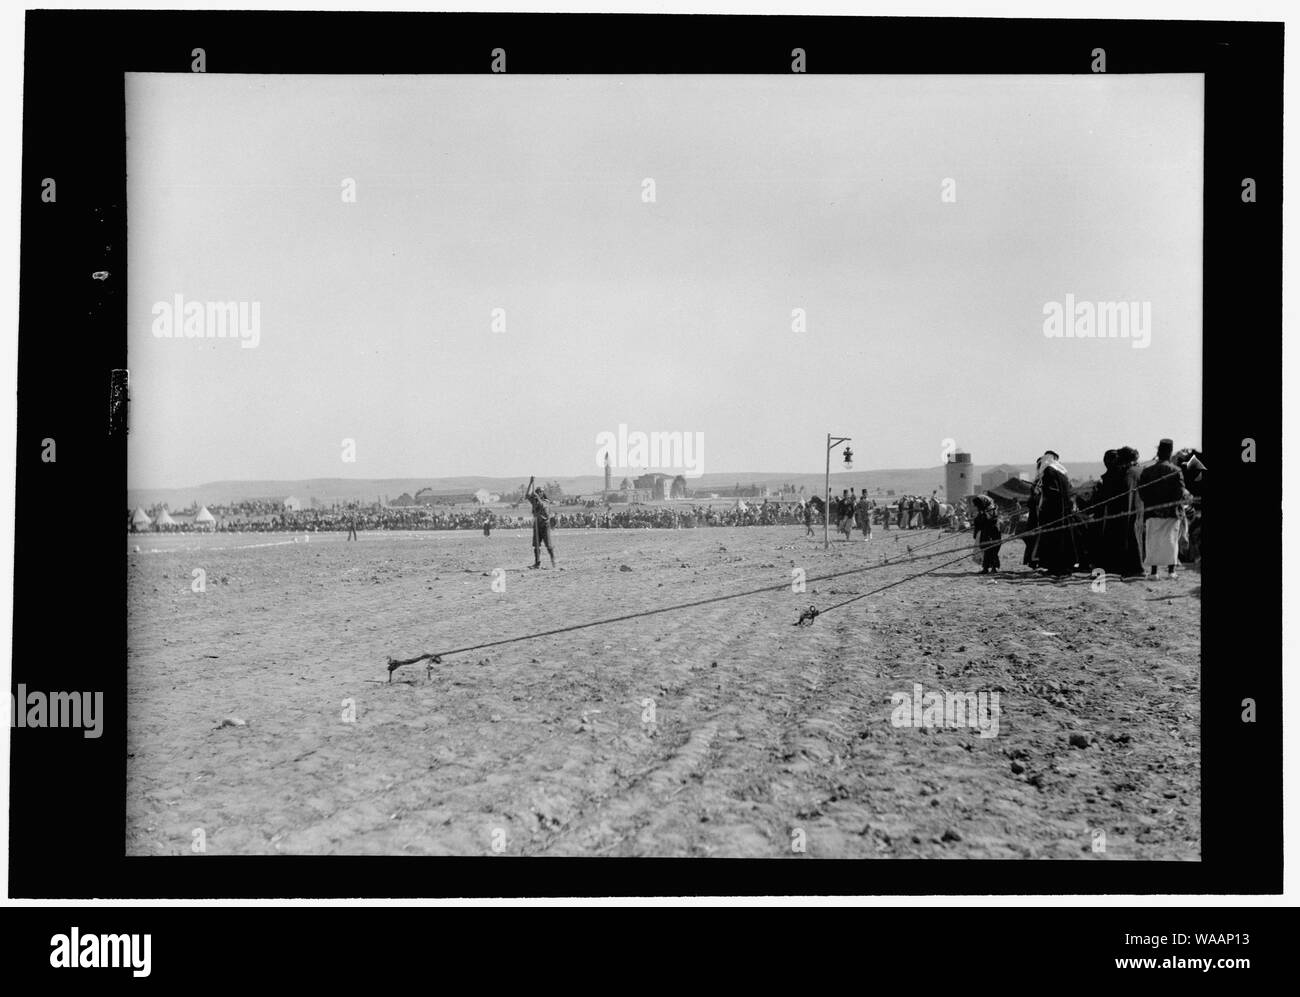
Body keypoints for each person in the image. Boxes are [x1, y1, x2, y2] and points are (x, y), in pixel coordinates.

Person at [1138, 439, 1187, 578]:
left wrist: (1153, 506)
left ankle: (1154, 572)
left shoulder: (1147, 471)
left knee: (1153, 541)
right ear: (1170, 453)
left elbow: (1142, 493)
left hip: (1152, 511)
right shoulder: (1176, 470)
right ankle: (1171, 572)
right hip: (1171, 512)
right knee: (1171, 541)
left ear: (1158, 452)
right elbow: (1180, 492)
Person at [1034, 451, 1078, 577]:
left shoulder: (1049, 471)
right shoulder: (1062, 472)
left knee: (1054, 540)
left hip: (1053, 512)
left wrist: (1042, 490)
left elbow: (1052, 491)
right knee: (1063, 540)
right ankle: (1063, 567)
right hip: (1064, 511)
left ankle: (1056, 568)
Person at [525, 476, 556, 569]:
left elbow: (543, 506)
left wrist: (536, 496)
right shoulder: (535, 501)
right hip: (537, 525)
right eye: (537, 491)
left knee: (548, 545)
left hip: (545, 525)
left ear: (543, 493)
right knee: (536, 545)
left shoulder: (546, 502)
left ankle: (552, 559)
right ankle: (537, 563)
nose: (538, 493)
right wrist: (530, 483)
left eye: (540, 492)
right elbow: (526, 495)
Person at [971, 495, 1002, 573]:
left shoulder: (991, 509)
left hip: (993, 533)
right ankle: (985, 568)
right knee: (986, 551)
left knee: (993, 551)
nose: (977, 507)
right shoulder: (984, 510)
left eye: (978, 505)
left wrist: (980, 519)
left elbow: (990, 521)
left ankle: (994, 568)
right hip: (986, 533)